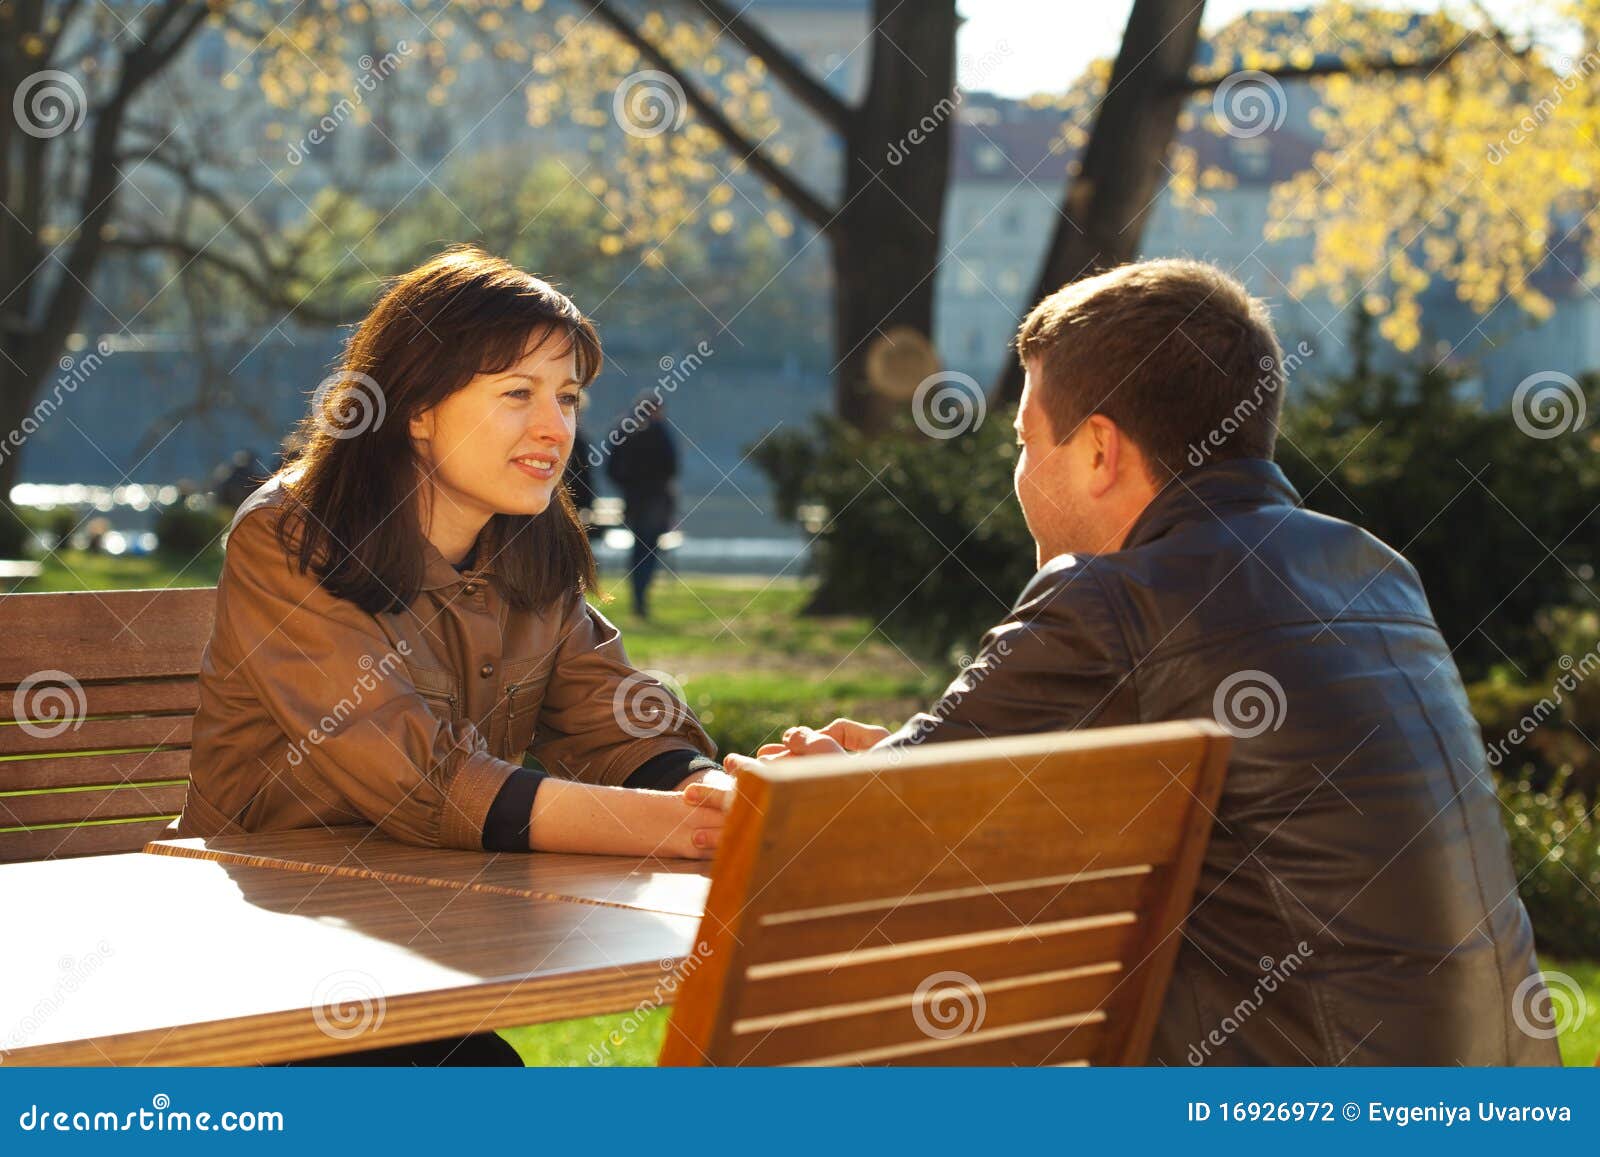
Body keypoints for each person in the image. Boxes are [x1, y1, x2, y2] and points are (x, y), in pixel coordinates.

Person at [731, 258, 1558, 1067]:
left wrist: (831, 776)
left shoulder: (1114, 598)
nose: (1018, 475)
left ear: (1099, 450)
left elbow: (857, 826)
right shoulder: (1375, 570)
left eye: (1024, 443)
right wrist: (891, 759)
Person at [179, 246, 731, 1065]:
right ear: (416, 407)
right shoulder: (290, 536)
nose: (556, 428)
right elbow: (419, 778)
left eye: (567, 396)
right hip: (260, 952)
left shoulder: (530, 539)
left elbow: (611, 714)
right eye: (517, 393)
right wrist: (680, 829)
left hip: (419, 922)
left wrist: (710, 792)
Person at [604, 395, 677, 618]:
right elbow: (672, 467)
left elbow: (611, 468)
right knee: (649, 550)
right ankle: (641, 597)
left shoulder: (625, 431)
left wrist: (628, 486)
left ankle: (637, 597)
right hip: (655, 500)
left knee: (639, 550)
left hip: (634, 500)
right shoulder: (660, 432)